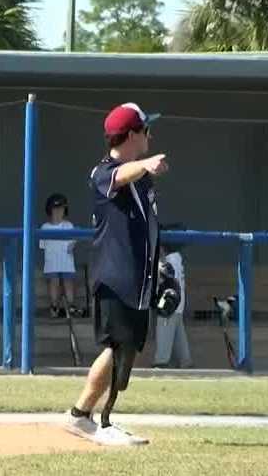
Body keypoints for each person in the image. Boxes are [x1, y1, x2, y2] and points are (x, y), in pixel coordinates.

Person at [65, 102, 168, 447]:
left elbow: (150, 226)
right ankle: (85, 417)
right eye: (146, 128)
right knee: (117, 347)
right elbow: (116, 177)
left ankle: (97, 418)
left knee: (127, 351)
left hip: (140, 279)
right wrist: (143, 164)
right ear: (132, 135)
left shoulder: (144, 179)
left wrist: (163, 270)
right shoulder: (104, 171)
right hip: (116, 278)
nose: (150, 134)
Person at [154, 233, 192, 369]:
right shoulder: (177, 257)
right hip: (178, 306)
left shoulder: (169, 260)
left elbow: (163, 278)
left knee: (164, 335)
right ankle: (186, 362)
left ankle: (161, 363)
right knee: (178, 336)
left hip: (169, 305)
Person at [40, 193, 80, 318]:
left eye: (61, 209)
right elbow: (42, 245)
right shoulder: (45, 227)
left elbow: (73, 242)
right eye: (55, 209)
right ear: (50, 211)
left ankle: (71, 306)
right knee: (54, 282)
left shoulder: (68, 226)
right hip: (52, 263)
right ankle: (54, 306)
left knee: (68, 282)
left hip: (67, 263)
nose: (58, 212)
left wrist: (73, 242)